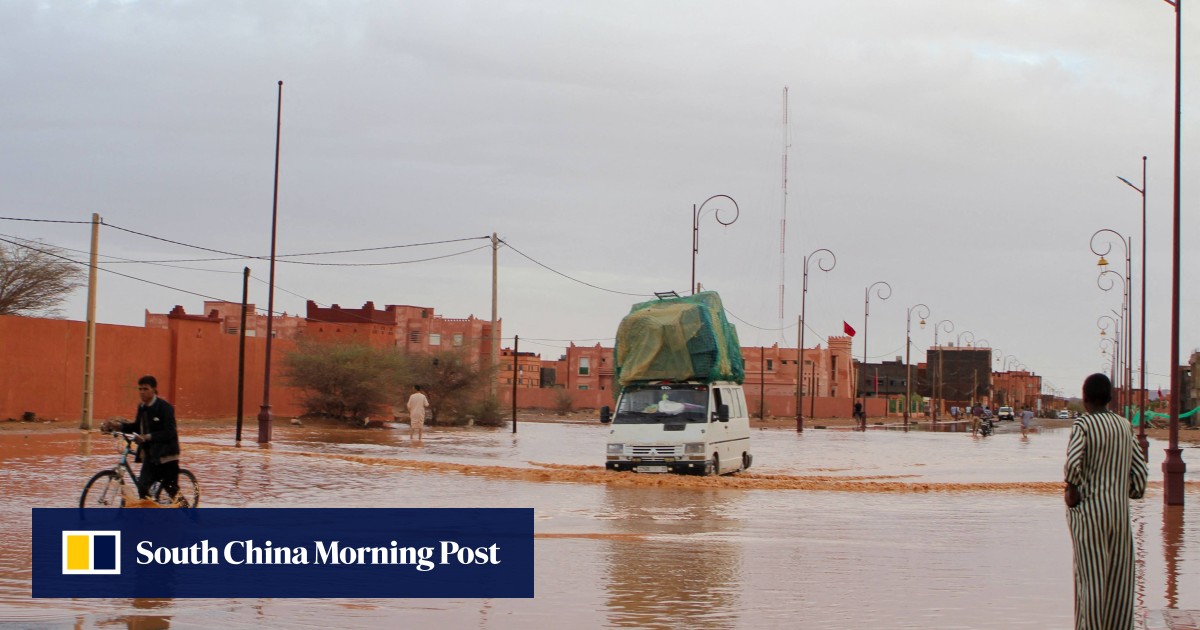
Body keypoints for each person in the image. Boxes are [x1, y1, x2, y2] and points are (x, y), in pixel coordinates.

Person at [1065, 373, 1147, 630]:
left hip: (1089, 515)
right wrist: (1124, 492)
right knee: (1119, 584)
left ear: (1085, 399)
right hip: (1119, 517)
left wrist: (1072, 491)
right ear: (1110, 398)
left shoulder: (1083, 425)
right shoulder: (1125, 426)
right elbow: (1140, 477)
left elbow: (1073, 464)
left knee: (1090, 582)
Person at [100, 375, 181, 501]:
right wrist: (118, 426)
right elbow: (137, 427)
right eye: (140, 389)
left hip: (167, 457)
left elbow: (169, 432)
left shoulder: (165, 408)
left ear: (154, 390)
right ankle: (150, 512)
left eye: (145, 389)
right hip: (151, 456)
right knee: (142, 488)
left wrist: (147, 437)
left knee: (173, 493)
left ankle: (189, 512)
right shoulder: (142, 407)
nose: (142, 392)